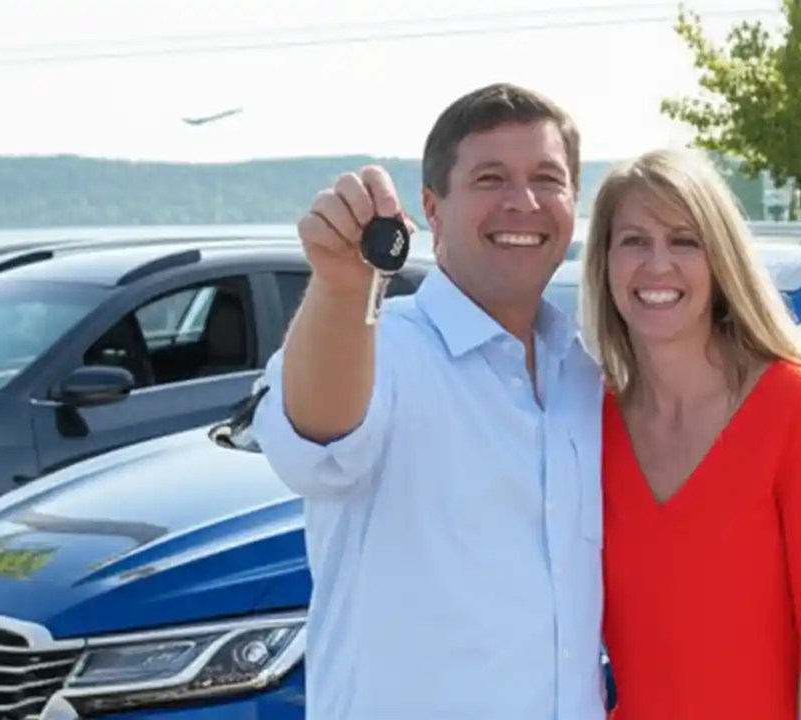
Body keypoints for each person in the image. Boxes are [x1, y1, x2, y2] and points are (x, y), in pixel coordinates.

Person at [251, 83, 606, 719]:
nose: (522, 202)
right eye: (490, 178)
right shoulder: (384, 349)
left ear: (573, 203)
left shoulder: (585, 375)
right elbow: (317, 440)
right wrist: (340, 284)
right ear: (432, 209)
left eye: (546, 178)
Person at [580, 148, 801, 719]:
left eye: (684, 241)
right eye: (634, 240)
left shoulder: (797, 406)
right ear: (606, 261)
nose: (656, 265)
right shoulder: (591, 423)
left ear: (721, 262)